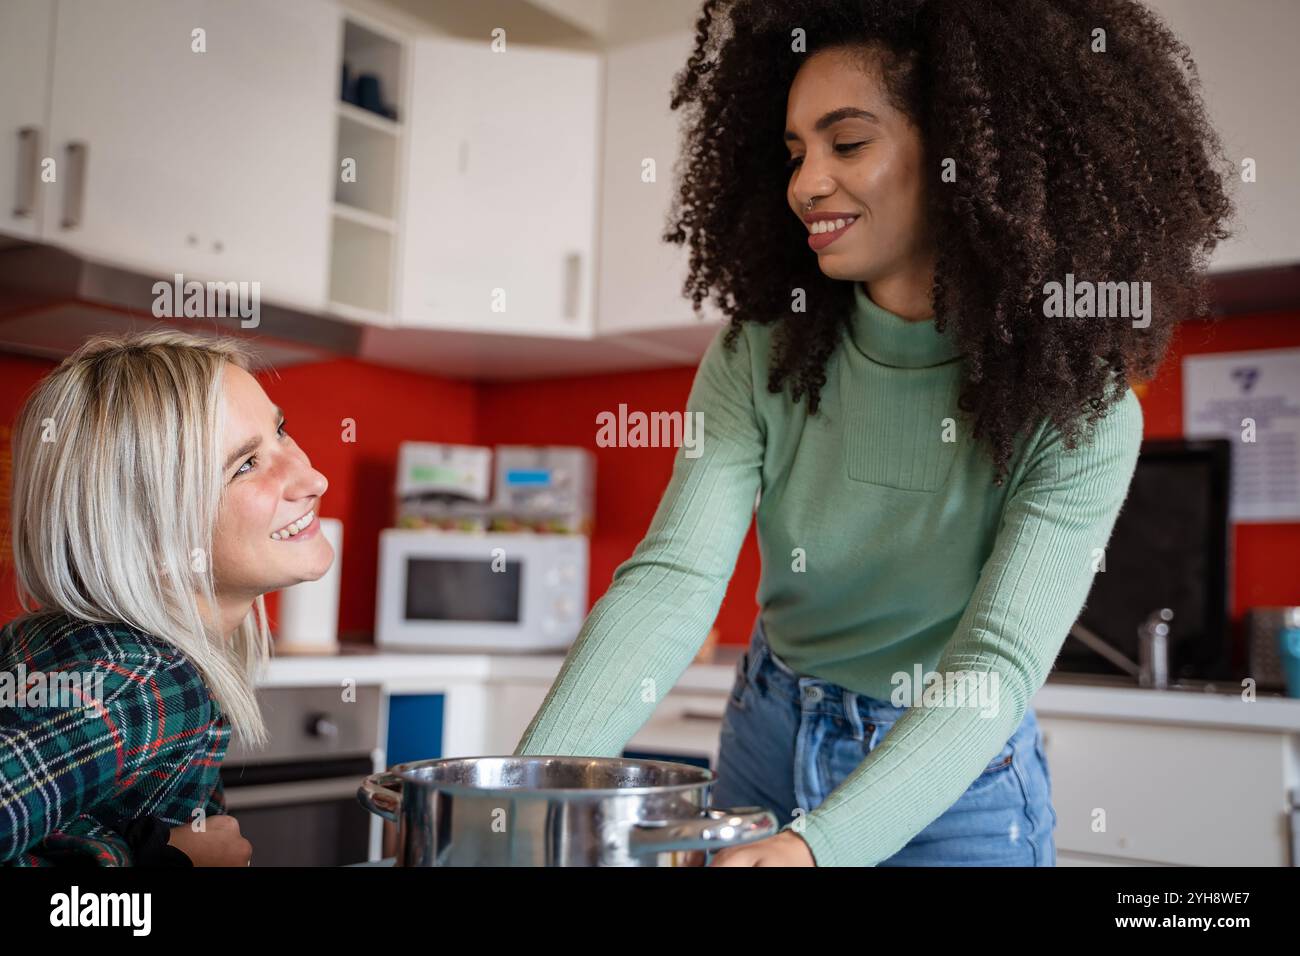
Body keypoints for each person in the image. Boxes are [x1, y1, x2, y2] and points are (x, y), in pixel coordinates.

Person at [514, 0, 1232, 866]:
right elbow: (673, 582)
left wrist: (816, 849)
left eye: (846, 143)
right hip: (765, 736)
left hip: (955, 788)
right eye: (794, 152)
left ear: (968, 152)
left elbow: (996, 666)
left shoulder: (1081, 410)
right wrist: (522, 793)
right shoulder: (759, 353)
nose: (805, 182)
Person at [1, 330, 332, 865]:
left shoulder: (103, 652)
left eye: (281, 431)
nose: (313, 478)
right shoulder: (136, 681)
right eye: (244, 465)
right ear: (150, 539)